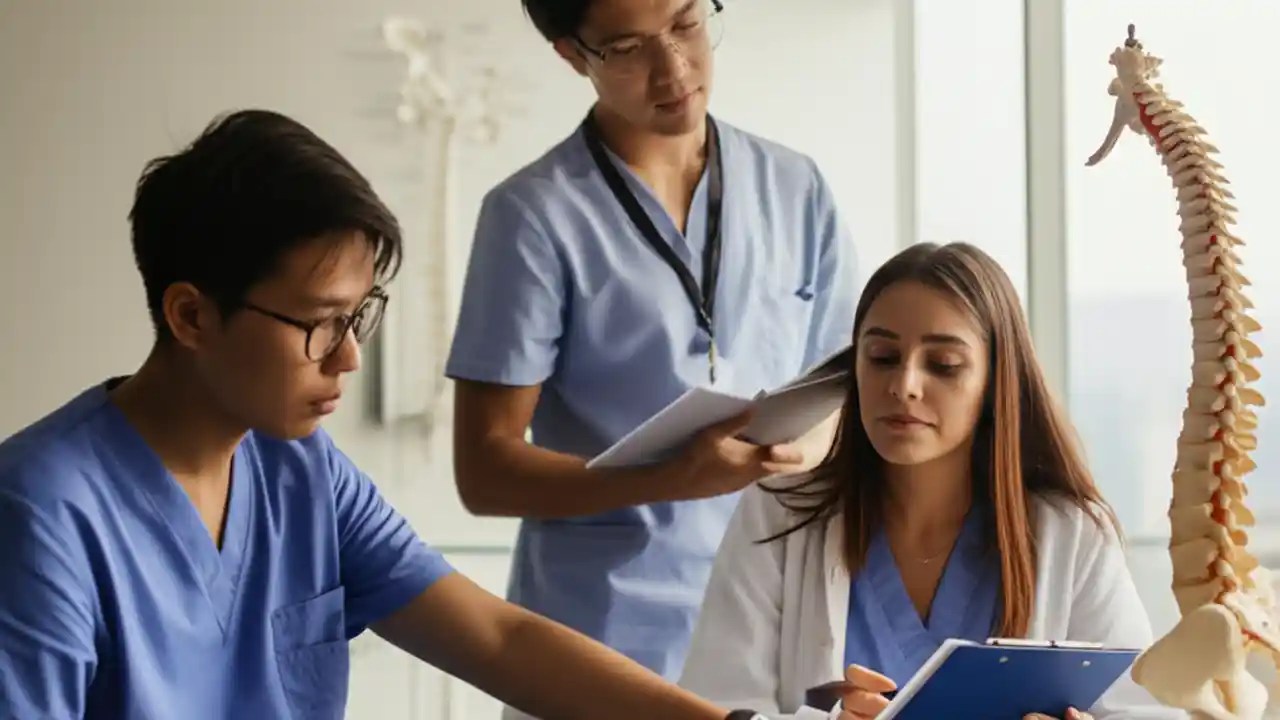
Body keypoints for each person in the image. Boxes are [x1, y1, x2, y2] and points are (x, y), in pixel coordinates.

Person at [0, 108, 785, 720]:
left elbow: (499, 639)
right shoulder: (42, 513)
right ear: (192, 317)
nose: (349, 357)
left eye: (359, 316)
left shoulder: (301, 471)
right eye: (320, 325)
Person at [445, 0, 860, 697]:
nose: (674, 69)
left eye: (687, 23)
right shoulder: (532, 216)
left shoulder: (797, 188)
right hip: (601, 638)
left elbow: (849, 395)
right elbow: (483, 472)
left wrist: (808, 448)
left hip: (777, 621)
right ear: (572, 54)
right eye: (628, 48)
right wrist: (672, 478)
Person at [677, 242, 1186, 719]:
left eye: (943, 365)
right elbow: (719, 703)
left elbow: (1138, 707)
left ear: (994, 383)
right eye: (881, 358)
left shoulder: (1070, 533)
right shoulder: (779, 511)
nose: (903, 386)